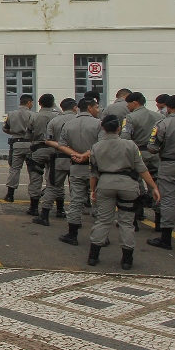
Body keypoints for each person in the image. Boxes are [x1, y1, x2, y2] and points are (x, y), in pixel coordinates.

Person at [87, 114, 160, 270]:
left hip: (105, 183)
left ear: (103, 128)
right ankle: (127, 259)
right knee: (126, 222)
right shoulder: (130, 145)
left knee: (103, 220)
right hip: (128, 185)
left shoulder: (96, 147)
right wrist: (153, 187)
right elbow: (141, 168)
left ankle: (93, 256)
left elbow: (93, 173)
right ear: (119, 128)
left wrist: (92, 190)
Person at [145, 94, 175, 251]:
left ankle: (166, 238)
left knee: (168, 201)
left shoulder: (163, 124)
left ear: (168, 107)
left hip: (169, 164)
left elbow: (153, 147)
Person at [54, 98, 102, 246]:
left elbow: (61, 145)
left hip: (75, 165)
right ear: (89, 108)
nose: (98, 110)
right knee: (98, 201)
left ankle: (72, 234)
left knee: (75, 201)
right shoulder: (99, 124)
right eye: (96, 107)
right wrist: (86, 155)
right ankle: (101, 236)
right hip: (95, 167)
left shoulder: (68, 125)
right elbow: (101, 144)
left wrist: (76, 154)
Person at [121, 91, 165, 224]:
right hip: (155, 154)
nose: (127, 106)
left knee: (136, 183)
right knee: (157, 185)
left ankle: (138, 213)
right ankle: (159, 218)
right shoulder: (159, 116)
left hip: (138, 153)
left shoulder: (130, 118)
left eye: (128, 104)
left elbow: (125, 138)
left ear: (135, 103)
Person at [34, 98, 79, 226]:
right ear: (75, 107)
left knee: (53, 186)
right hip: (79, 159)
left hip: (60, 157)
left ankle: (45, 215)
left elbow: (48, 140)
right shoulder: (80, 121)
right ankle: (75, 219)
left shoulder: (55, 121)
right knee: (77, 189)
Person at [24, 94, 59, 216]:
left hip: (38, 150)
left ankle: (33, 207)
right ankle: (58, 208)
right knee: (54, 179)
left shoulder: (34, 117)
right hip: (54, 150)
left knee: (35, 178)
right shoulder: (57, 117)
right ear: (53, 103)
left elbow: (28, 136)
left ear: (40, 103)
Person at [2, 94, 35, 203]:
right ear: (29, 102)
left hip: (17, 144)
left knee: (15, 169)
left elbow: (5, 129)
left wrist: (15, 132)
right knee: (32, 170)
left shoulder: (11, 114)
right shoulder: (33, 115)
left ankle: (10, 194)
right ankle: (34, 195)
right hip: (30, 144)